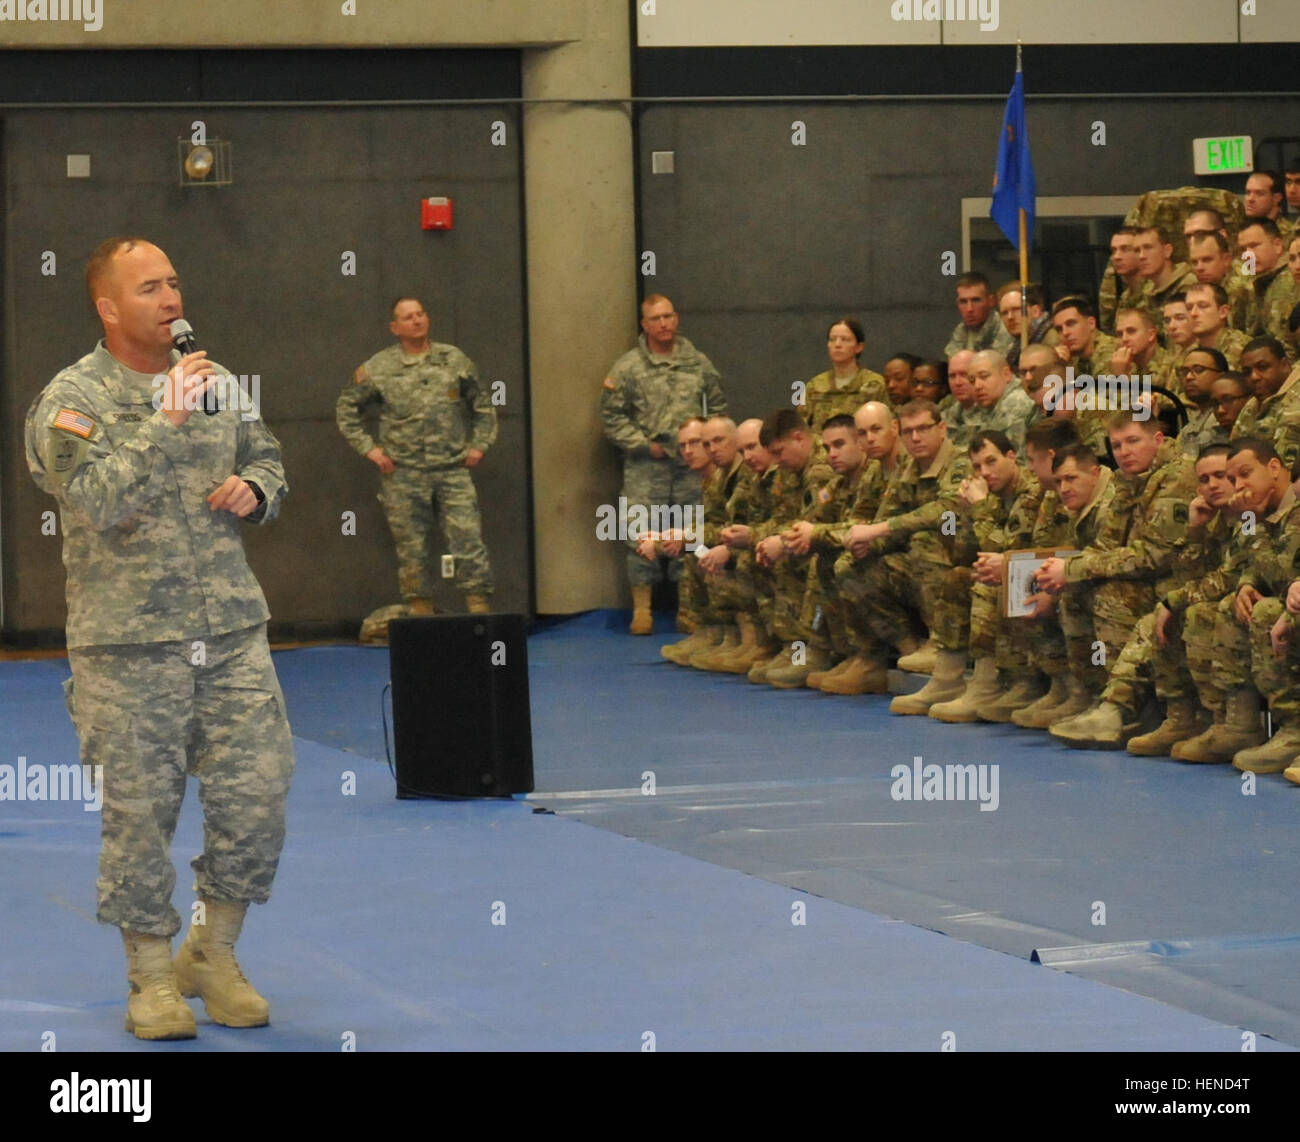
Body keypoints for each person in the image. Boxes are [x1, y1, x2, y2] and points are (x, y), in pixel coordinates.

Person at [25, 237, 295, 1041]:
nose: (171, 299)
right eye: (149, 288)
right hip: (127, 647)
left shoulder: (217, 383)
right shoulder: (70, 402)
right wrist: (164, 419)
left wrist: (258, 489)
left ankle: (214, 951)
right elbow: (95, 500)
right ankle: (149, 977)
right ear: (109, 307)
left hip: (231, 630)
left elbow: (270, 457)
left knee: (259, 795)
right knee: (140, 817)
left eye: (174, 282)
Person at [337, 296, 497, 623]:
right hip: (403, 474)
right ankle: (421, 620)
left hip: (452, 470)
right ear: (395, 327)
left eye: (421, 314)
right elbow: (346, 409)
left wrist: (480, 443)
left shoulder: (454, 360)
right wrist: (371, 450)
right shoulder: (379, 368)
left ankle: (481, 616)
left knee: (469, 542)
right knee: (412, 551)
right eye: (408, 317)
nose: (417, 321)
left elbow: (482, 404)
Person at [599, 294, 727, 634]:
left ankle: (690, 607)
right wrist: (644, 445)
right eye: (656, 319)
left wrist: (705, 444)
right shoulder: (627, 368)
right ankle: (643, 609)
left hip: (691, 466)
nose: (664, 324)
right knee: (639, 533)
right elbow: (611, 417)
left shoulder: (697, 362)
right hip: (647, 466)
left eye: (669, 316)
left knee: (692, 531)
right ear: (644, 325)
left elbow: (717, 405)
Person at [801, 318, 888, 437]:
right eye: (832, 340)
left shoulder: (874, 384)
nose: (837, 344)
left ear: (859, 347)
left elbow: (886, 426)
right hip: (821, 453)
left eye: (845, 340)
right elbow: (802, 428)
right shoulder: (814, 386)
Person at [943, 272, 1015, 360]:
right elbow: (952, 361)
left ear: (991, 301)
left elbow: (995, 364)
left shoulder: (1004, 327)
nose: (969, 309)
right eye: (963, 302)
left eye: (976, 300)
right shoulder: (962, 329)